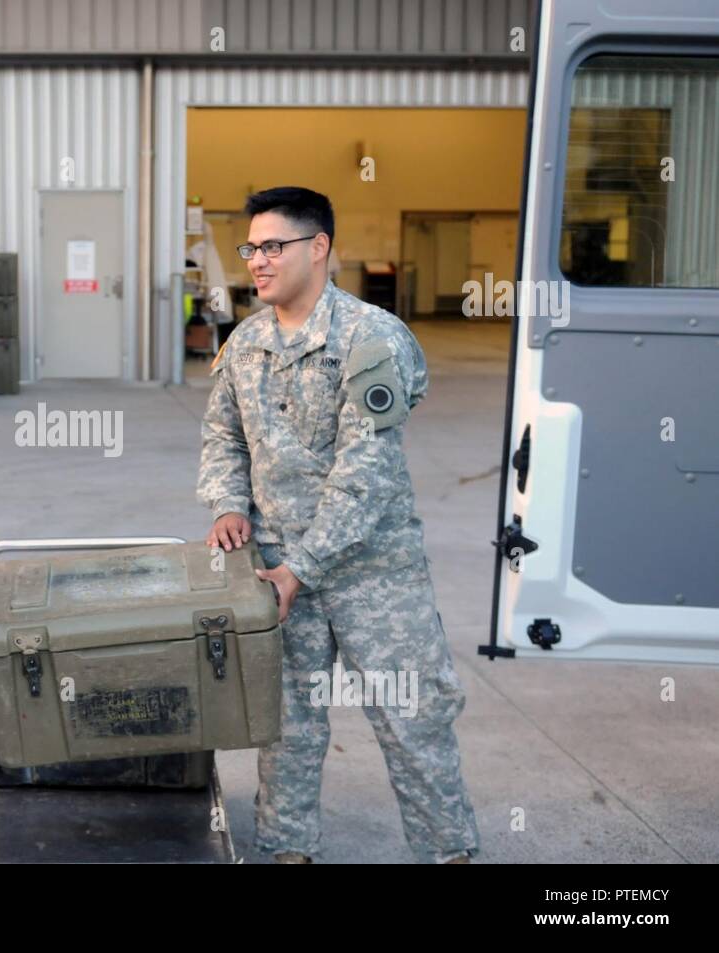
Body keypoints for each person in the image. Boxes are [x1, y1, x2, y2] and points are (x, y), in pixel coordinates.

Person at [198, 186, 479, 864]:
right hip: (274, 566)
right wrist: (228, 502)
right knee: (286, 726)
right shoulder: (246, 343)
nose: (257, 261)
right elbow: (221, 434)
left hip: (371, 571)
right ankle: (289, 850)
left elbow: (366, 475)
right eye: (251, 247)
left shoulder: (369, 338)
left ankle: (449, 852)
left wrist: (303, 568)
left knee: (412, 719)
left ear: (317, 247)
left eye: (273, 246)